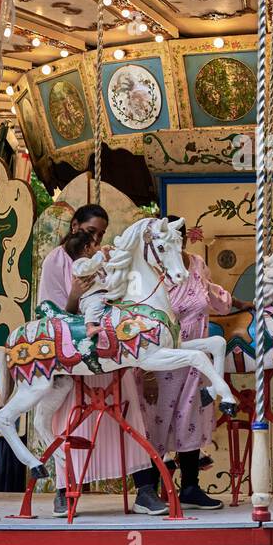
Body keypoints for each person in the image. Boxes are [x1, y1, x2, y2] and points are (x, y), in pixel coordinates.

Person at [38, 204, 156, 517]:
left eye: (100, 234)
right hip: (77, 350)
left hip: (109, 345)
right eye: (91, 231)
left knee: (130, 412)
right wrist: (76, 294)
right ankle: (65, 491)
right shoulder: (56, 260)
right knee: (69, 419)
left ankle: (145, 489)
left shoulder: (99, 257)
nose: (96, 238)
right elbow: (52, 311)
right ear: (75, 225)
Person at [136, 215, 252, 512]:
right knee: (154, 421)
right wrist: (146, 370)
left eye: (181, 236)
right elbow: (139, 318)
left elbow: (212, 294)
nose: (178, 241)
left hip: (193, 357)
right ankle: (147, 489)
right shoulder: (150, 270)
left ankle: (190, 487)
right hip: (160, 358)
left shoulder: (197, 263)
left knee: (191, 418)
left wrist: (242, 304)